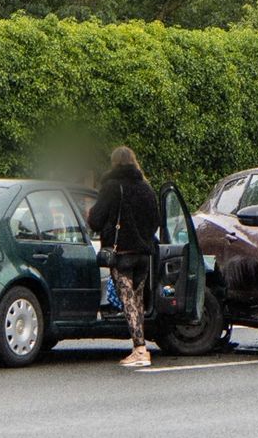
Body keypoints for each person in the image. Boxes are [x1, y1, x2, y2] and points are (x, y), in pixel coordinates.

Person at [87, 146, 160, 367]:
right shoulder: (146, 188)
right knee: (137, 301)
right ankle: (139, 347)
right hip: (143, 254)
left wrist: (91, 215)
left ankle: (140, 350)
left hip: (121, 254)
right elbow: (156, 220)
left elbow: (96, 221)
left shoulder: (111, 187)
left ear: (114, 163)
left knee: (128, 302)